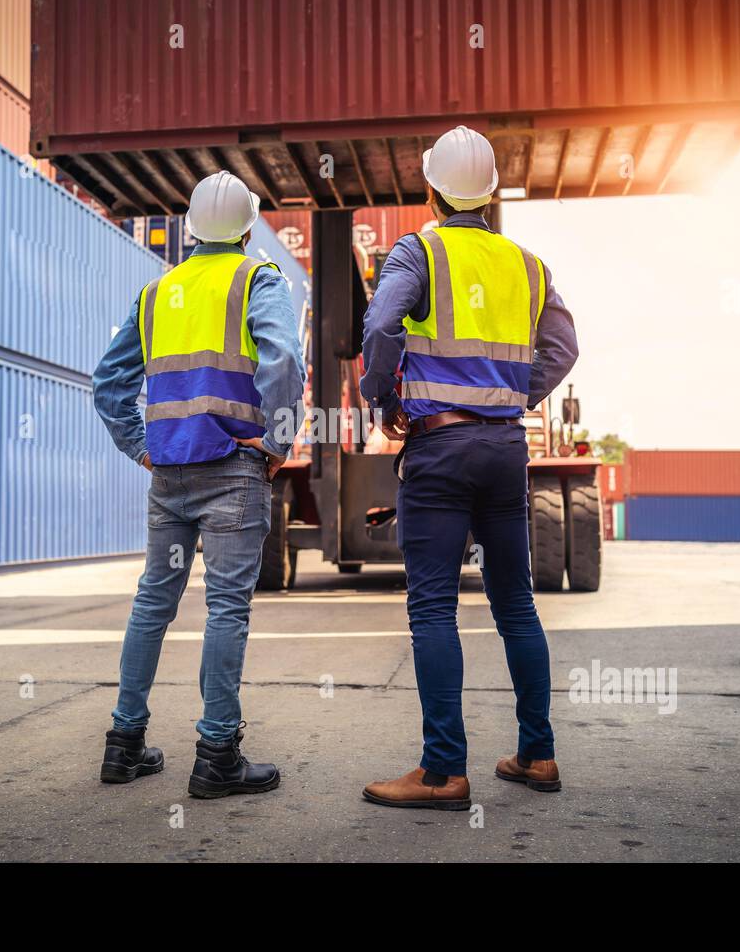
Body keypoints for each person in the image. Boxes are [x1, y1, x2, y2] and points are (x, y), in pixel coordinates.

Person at [358, 126, 580, 810]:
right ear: (490, 195)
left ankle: (442, 772)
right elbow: (564, 348)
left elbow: (380, 328)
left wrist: (382, 396)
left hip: (439, 448)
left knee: (433, 605)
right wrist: (511, 395)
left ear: (430, 189)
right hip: (506, 448)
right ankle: (537, 755)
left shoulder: (417, 249)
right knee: (516, 603)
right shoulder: (528, 265)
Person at [92, 170, 305, 799]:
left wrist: (140, 446)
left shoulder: (158, 292)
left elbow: (108, 383)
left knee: (152, 603)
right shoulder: (255, 280)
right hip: (234, 471)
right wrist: (275, 442)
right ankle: (216, 756)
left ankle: (123, 745)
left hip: (170, 477)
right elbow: (286, 360)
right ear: (246, 228)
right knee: (226, 607)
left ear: (190, 229)